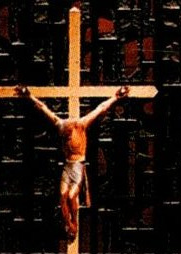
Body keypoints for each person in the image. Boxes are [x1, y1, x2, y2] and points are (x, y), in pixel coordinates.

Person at [17, 82, 132, 239]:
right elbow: (43, 109)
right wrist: (29, 96)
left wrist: (116, 96)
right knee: (62, 195)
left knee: (71, 196)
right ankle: (68, 223)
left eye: (69, 133)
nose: (68, 136)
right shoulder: (61, 125)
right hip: (68, 165)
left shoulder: (81, 124)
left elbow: (101, 108)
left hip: (78, 166)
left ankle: (75, 223)